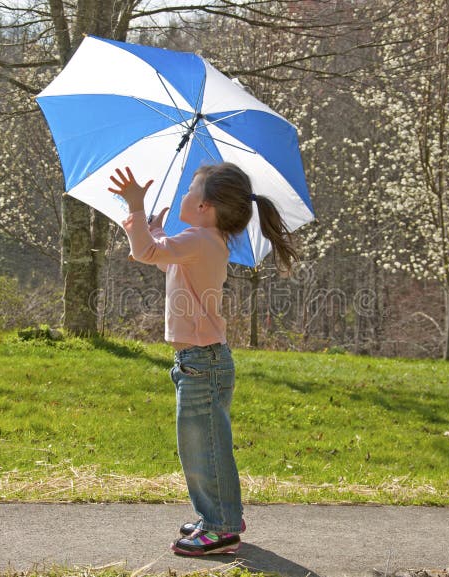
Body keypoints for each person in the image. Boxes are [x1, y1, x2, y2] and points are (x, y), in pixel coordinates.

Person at [108, 163, 298, 556]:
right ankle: (222, 514)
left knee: (203, 448)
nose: (183, 195)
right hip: (202, 360)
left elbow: (147, 253)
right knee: (206, 445)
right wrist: (154, 231)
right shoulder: (204, 240)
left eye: (190, 191)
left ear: (205, 206)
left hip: (202, 362)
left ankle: (222, 527)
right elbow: (162, 257)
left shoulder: (199, 240)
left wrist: (137, 208)